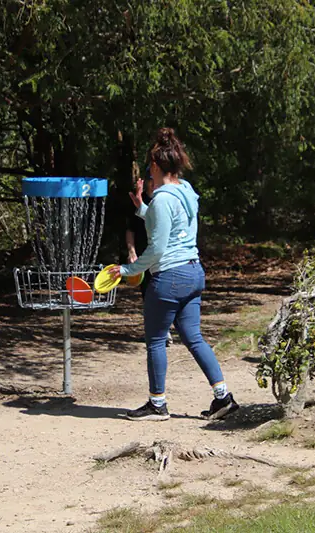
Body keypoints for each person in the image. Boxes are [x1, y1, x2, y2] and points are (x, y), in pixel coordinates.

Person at [109, 127, 238, 422]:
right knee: (193, 337)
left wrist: (128, 269)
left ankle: (157, 404)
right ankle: (223, 398)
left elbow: (157, 248)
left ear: (155, 166)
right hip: (194, 271)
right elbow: (172, 225)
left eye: (149, 168)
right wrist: (142, 207)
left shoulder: (164, 198)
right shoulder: (186, 191)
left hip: (170, 276)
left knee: (155, 340)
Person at [125, 174, 173, 345]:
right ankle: (156, 331)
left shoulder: (165, 199)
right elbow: (130, 230)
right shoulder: (139, 201)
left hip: (163, 258)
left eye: (156, 181)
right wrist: (131, 252)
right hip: (144, 256)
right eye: (150, 182)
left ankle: (164, 329)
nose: (153, 185)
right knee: (149, 295)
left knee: (163, 293)